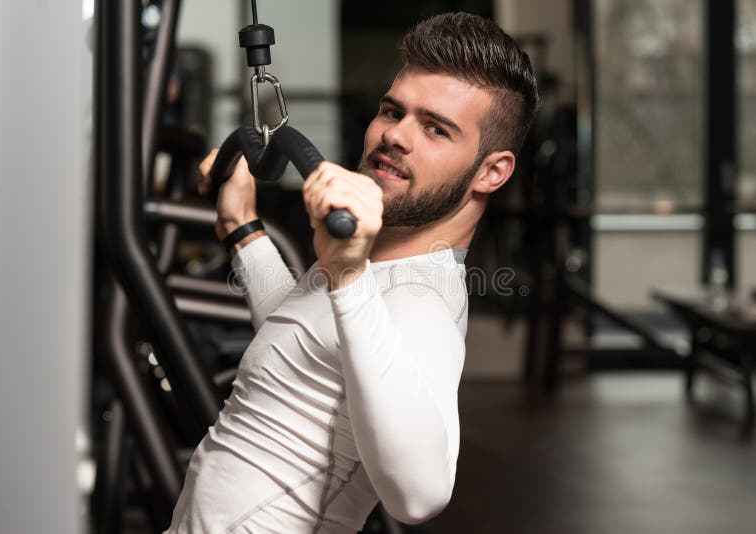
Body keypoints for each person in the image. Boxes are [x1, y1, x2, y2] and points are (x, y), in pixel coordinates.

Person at [166, 12, 539, 533]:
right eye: (392, 111)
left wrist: (347, 276)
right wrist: (243, 229)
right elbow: (303, 353)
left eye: (435, 128)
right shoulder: (375, 266)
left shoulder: (421, 304)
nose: (396, 135)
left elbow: (420, 497)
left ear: (491, 171)